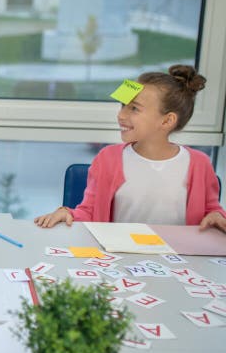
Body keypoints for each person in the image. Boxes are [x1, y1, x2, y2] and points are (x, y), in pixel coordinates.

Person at [34, 65, 226, 231]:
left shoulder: (199, 164)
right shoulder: (107, 158)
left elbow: (212, 210)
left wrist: (217, 217)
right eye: (122, 105)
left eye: (134, 108)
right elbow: (89, 212)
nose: (121, 115)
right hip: (119, 262)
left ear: (167, 120)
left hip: (177, 264)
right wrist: (67, 213)